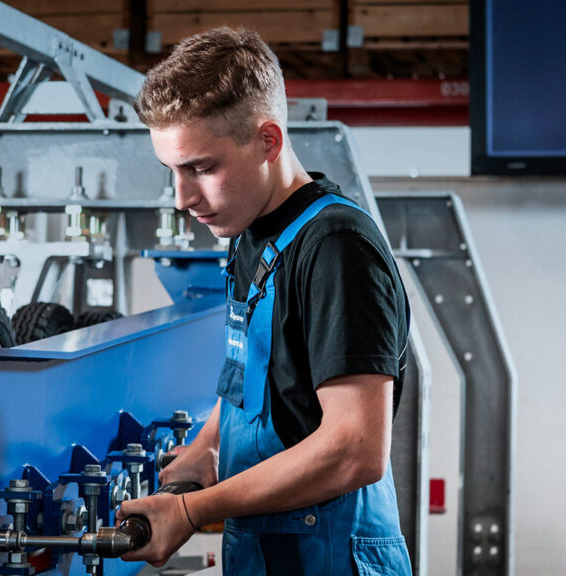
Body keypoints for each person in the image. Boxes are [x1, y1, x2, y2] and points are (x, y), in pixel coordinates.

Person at [115, 25, 412, 575]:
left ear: (268, 141)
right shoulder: (253, 236)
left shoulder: (335, 247)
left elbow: (356, 449)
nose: (183, 198)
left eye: (202, 168)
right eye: (172, 172)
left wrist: (190, 510)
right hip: (271, 554)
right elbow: (250, 390)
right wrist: (204, 449)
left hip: (333, 556)